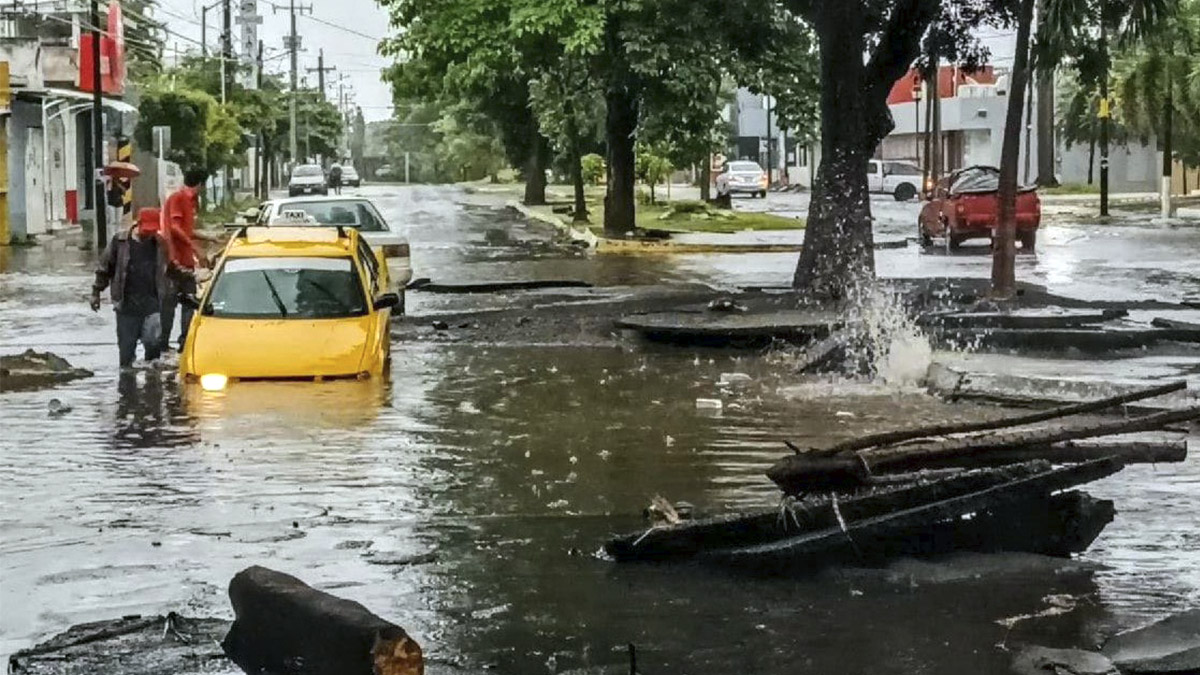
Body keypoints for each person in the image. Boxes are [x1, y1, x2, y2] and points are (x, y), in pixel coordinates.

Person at [91, 208, 194, 367]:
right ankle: (127, 387)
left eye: (153, 231)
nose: (149, 234)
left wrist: (190, 276)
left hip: (151, 305)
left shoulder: (160, 243)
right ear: (138, 224)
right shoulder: (120, 242)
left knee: (153, 349)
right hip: (126, 306)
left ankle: (152, 387)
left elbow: (170, 268)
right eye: (147, 230)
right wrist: (96, 292)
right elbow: (105, 268)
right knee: (126, 353)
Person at [160, 169, 216, 351]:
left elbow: (186, 230)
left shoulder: (189, 201)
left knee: (189, 302)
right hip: (173, 261)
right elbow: (175, 227)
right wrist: (196, 249)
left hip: (186, 261)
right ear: (200, 184)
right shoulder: (179, 198)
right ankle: (163, 344)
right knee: (169, 304)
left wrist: (208, 238)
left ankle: (184, 342)